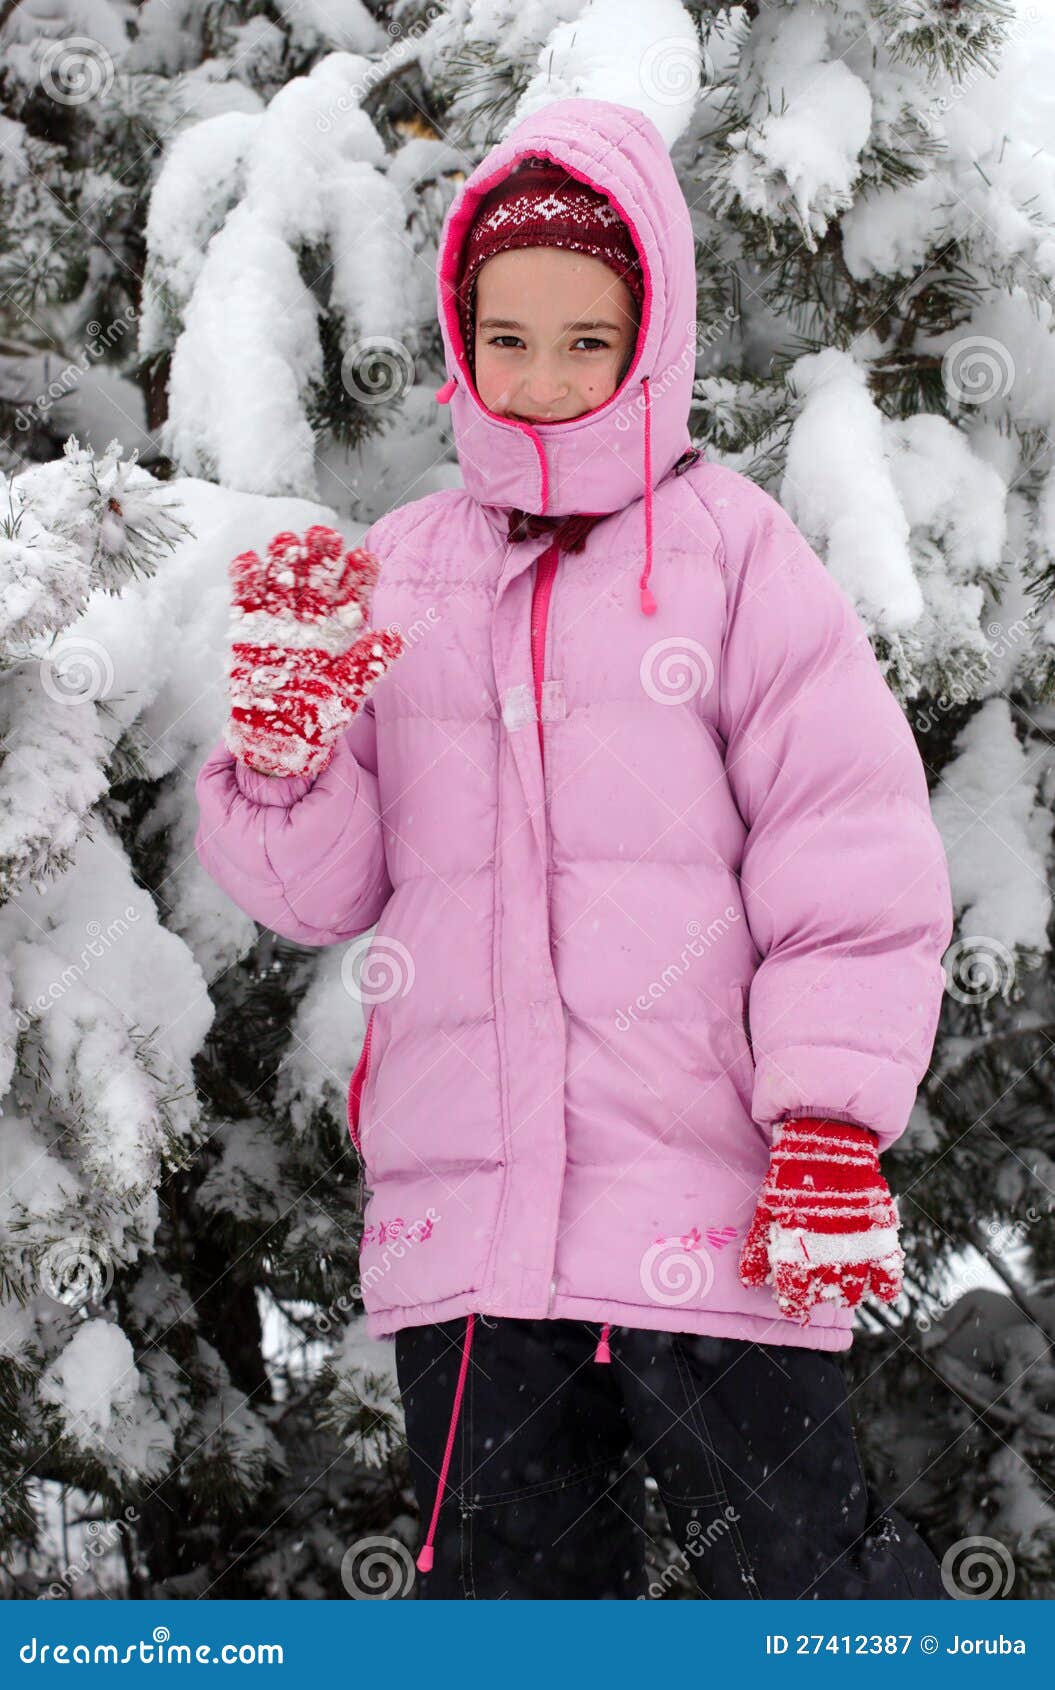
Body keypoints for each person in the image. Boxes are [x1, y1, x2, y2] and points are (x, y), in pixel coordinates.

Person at [194, 96, 955, 1600]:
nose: (543, 380)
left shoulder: (732, 556)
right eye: (510, 338)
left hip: (719, 1216)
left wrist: (825, 1118)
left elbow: (849, 854)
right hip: (478, 1245)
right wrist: (284, 762)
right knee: (508, 1613)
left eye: (587, 341)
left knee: (800, 1587)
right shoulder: (399, 576)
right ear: (459, 338)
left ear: (651, 340)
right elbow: (332, 892)